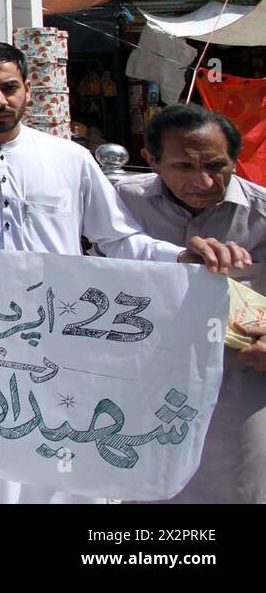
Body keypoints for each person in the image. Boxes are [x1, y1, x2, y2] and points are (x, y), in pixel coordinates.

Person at [0, 41, 249, 503]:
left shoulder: (71, 159)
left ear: (28, 90)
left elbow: (117, 239)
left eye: (8, 87)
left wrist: (179, 257)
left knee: (65, 463)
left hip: (62, 337)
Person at [116, 103, 266, 503]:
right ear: (151, 159)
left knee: (240, 487)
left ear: (235, 160)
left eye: (216, 166)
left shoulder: (262, 214)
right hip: (142, 377)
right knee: (148, 488)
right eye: (184, 167)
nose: (203, 181)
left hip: (238, 382)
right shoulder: (120, 207)